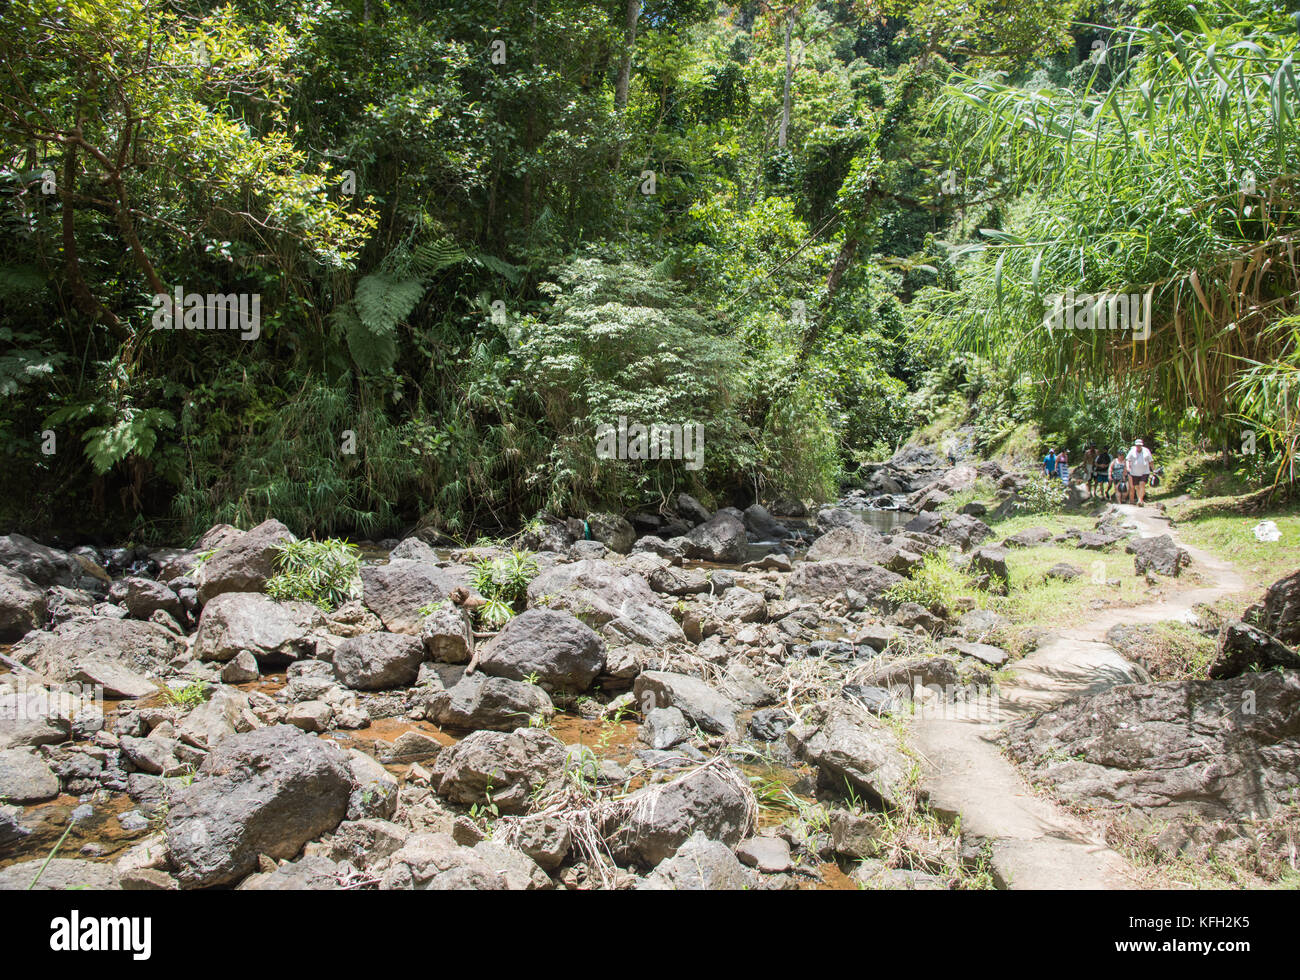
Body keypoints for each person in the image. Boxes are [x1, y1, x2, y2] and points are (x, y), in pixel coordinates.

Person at [1125, 438, 1154, 506]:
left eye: (1140, 445)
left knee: (1142, 484)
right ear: (1135, 445)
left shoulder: (1146, 451)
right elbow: (1127, 460)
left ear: (1142, 445)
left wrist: (1153, 469)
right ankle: (1140, 500)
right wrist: (1128, 467)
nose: (1138, 447)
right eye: (1137, 445)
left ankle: (1140, 500)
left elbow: (1151, 461)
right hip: (1134, 472)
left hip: (1145, 471)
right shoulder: (1132, 451)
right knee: (1137, 487)